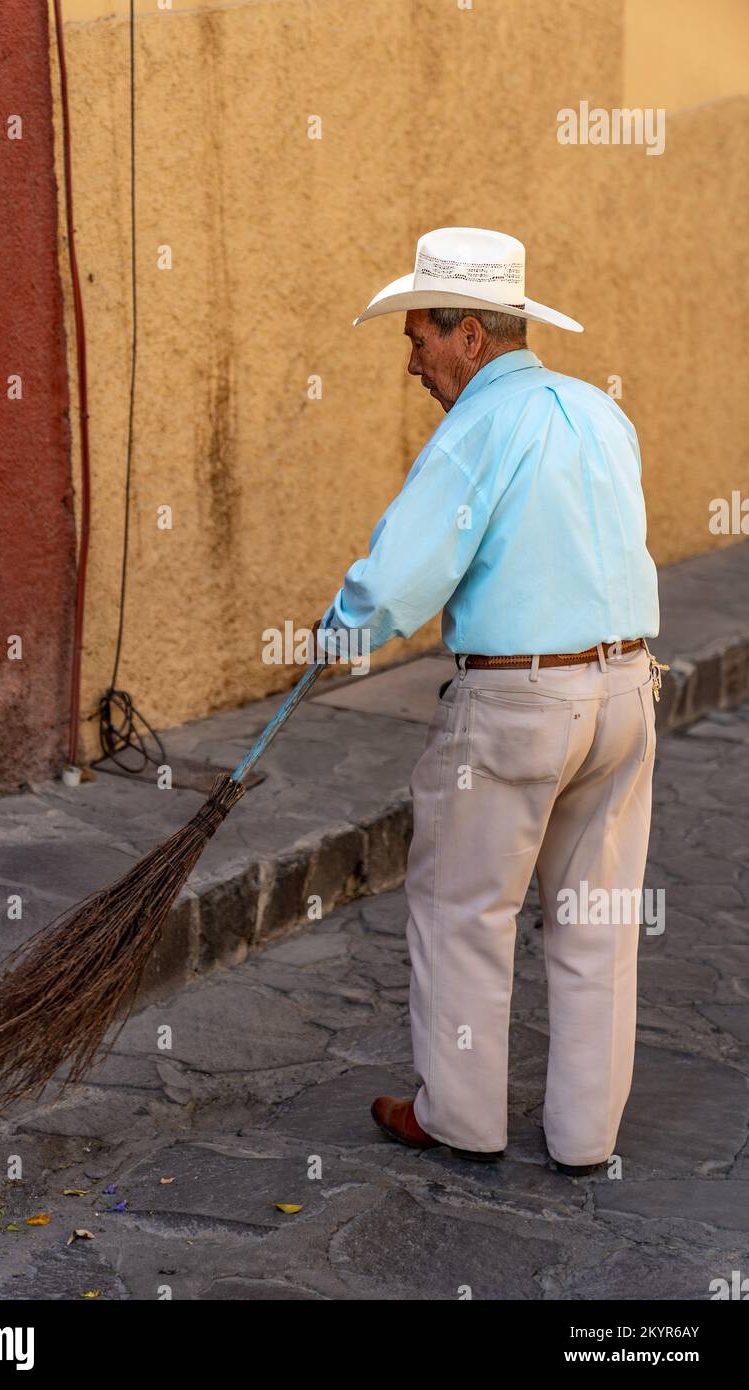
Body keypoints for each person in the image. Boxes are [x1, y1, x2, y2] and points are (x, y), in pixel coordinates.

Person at [315, 227, 663, 1176]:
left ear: (470, 334)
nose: (413, 363)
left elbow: (402, 575)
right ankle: (586, 1136)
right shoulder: (599, 411)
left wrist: (337, 631)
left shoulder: (481, 424)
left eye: (420, 336)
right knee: (596, 916)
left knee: (463, 909)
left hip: (518, 701)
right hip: (627, 689)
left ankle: (461, 1115)